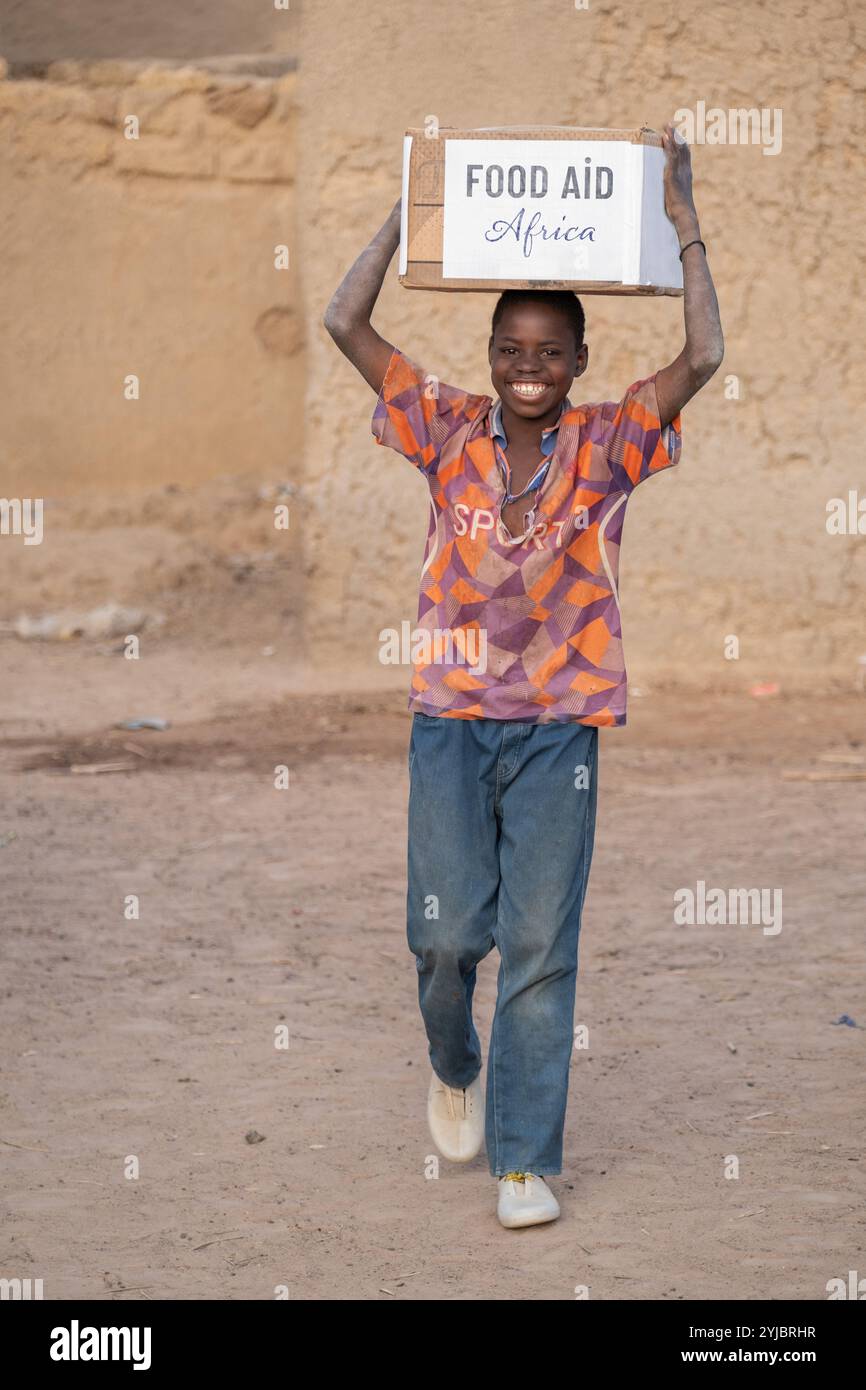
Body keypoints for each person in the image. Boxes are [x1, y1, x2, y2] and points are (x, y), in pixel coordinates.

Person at [324, 122, 723, 1229]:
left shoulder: (609, 443)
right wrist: (419, 207)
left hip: (560, 729)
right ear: (491, 352)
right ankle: (451, 1060)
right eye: (511, 348)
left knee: (542, 947)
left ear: (578, 362)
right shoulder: (442, 425)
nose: (528, 369)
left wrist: (684, 227)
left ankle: (522, 1162)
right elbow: (341, 319)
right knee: (445, 939)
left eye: (550, 352)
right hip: (448, 720)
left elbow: (703, 360)